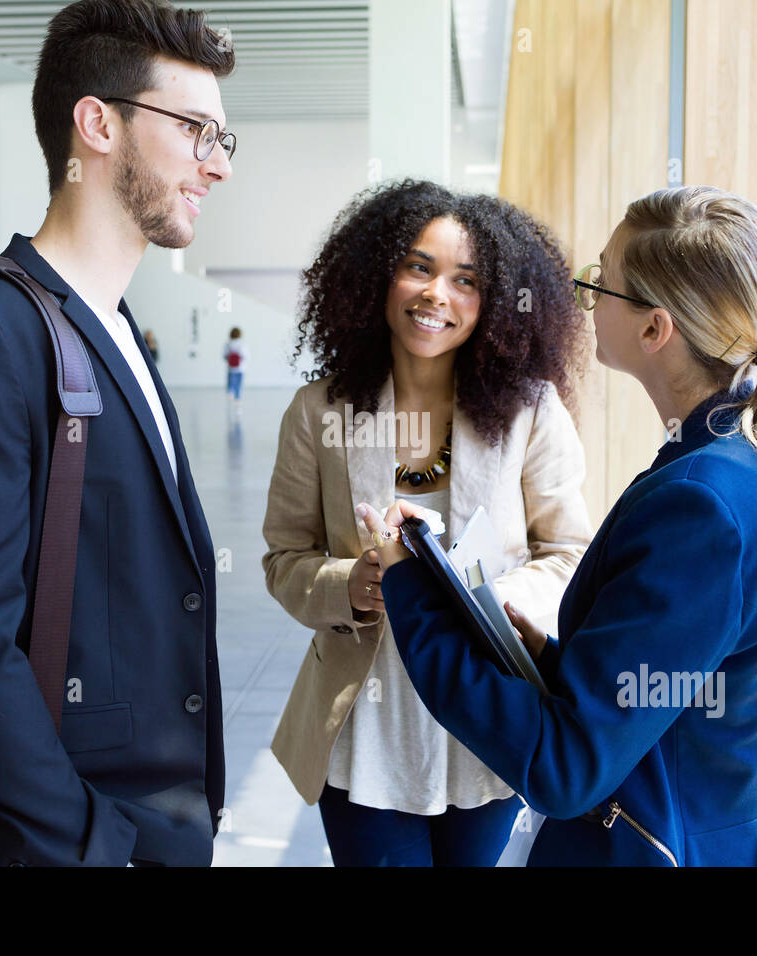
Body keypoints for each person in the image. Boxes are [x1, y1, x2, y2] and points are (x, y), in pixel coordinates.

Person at [358, 185, 757, 866]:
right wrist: (548, 656)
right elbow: (670, 691)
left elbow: (565, 768)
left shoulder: (704, 506)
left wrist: (412, 592)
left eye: (600, 283)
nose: (586, 298)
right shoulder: (729, 466)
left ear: (653, 329)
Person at [0, 0, 235, 866]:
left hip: (160, 827)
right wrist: (86, 846)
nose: (215, 166)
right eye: (195, 130)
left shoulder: (117, 331)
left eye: (222, 140)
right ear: (97, 124)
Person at [262, 179, 594, 866]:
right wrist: (352, 583)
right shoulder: (317, 411)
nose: (436, 294)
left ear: (494, 302)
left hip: (486, 724)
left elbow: (569, 554)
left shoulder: (532, 412)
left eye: (465, 279)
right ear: (379, 277)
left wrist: (488, 601)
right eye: (419, 266)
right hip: (366, 732)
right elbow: (283, 558)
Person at [223, 326, 247, 411]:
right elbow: (245, 356)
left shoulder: (228, 344)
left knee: (231, 383)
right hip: (240, 369)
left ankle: (230, 393)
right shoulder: (242, 344)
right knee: (238, 386)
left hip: (231, 368)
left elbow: (224, 356)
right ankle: (237, 401)